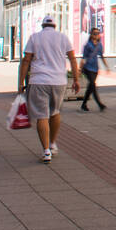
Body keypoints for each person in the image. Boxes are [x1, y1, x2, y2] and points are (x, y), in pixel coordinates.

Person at [18, 14, 80, 163]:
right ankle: (52, 144)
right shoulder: (63, 38)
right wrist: (76, 80)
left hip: (39, 81)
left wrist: (21, 83)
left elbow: (26, 60)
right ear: (54, 26)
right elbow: (72, 58)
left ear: (43, 26)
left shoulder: (34, 38)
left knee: (42, 116)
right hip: (58, 81)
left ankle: (46, 151)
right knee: (55, 112)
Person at [79, 26, 110, 112]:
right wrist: (79, 69)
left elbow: (102, 57)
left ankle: (83, 104)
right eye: (94, 34)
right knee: (93, 85)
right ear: (91, 35)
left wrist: (106, 67)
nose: (96, 35)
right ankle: (100, 104)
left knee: (90, 87)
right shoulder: (87, 45)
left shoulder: (99, 45)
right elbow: (83, 58)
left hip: (95, 68)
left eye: (97, 33)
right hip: (87, 68)